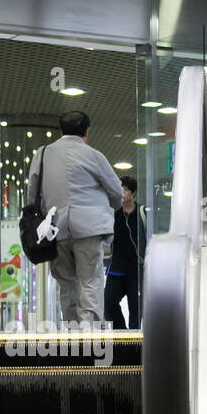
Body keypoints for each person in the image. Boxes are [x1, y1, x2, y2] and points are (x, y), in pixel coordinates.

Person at [26, 110, 123, 324]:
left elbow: (32, 193)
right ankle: (89, 339)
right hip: (89, 229)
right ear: (86, 132)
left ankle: (72, 336)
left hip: (55, 229)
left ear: (60, 131)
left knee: (67, 283)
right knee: (90, 282)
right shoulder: (94, 155)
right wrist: (107, 210)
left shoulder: (42, 154)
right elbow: (117, 192)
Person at [104, 175, 146, 328]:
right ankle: (121, 335)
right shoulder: (114, 215)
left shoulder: (142, 214)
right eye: (120, 189)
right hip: (116, 270)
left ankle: (133, 347)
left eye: (126, 189)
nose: (122, 192)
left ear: (133, 193)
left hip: (136, 272)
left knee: (136, 312)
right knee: (107, 303)